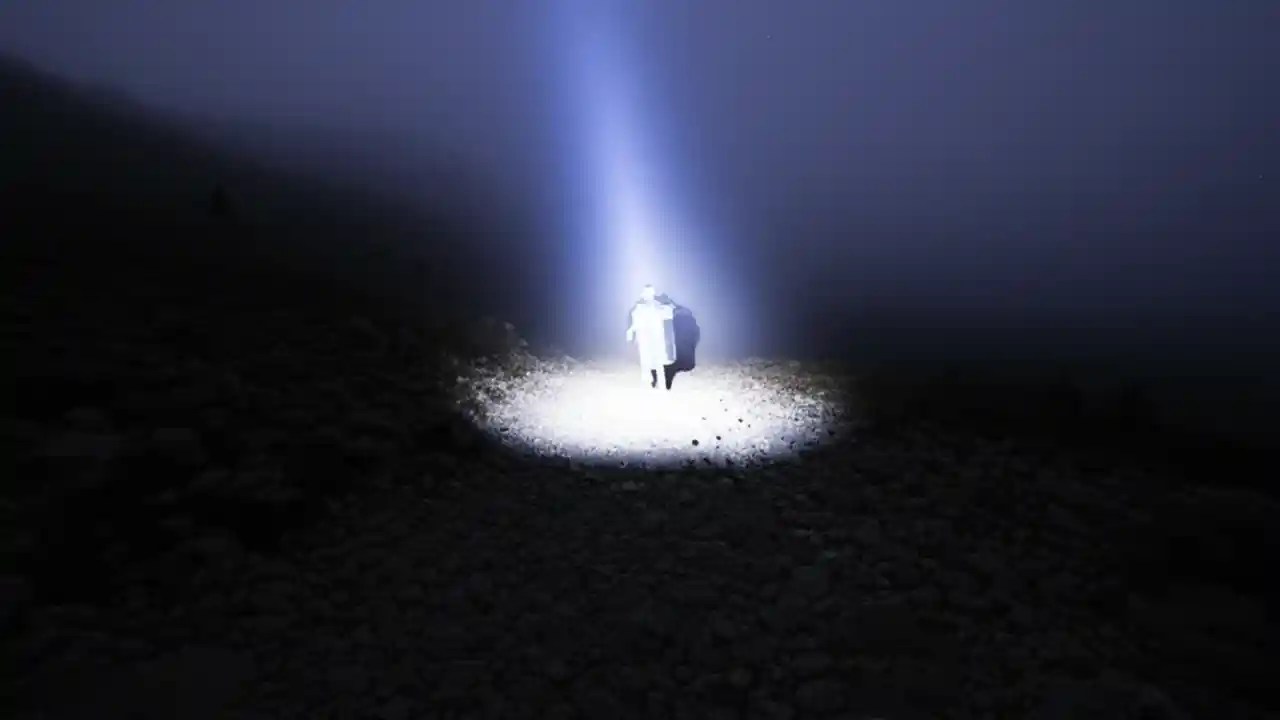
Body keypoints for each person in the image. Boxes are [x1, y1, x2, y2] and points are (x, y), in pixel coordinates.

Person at [626, 284, 676, 388]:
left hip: (657, 338)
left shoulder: (659, 306)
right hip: (644, 339)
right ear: (643, 295)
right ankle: (646, 384)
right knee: (645, 362)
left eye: (650, 293)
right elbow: (636, 322)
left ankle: (661, 384)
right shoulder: (639, 307)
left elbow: (670, 314)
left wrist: (669, 303)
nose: (648, 295)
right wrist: (631, 331)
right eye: (646, 293)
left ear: (653, 294)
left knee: (658, 362)